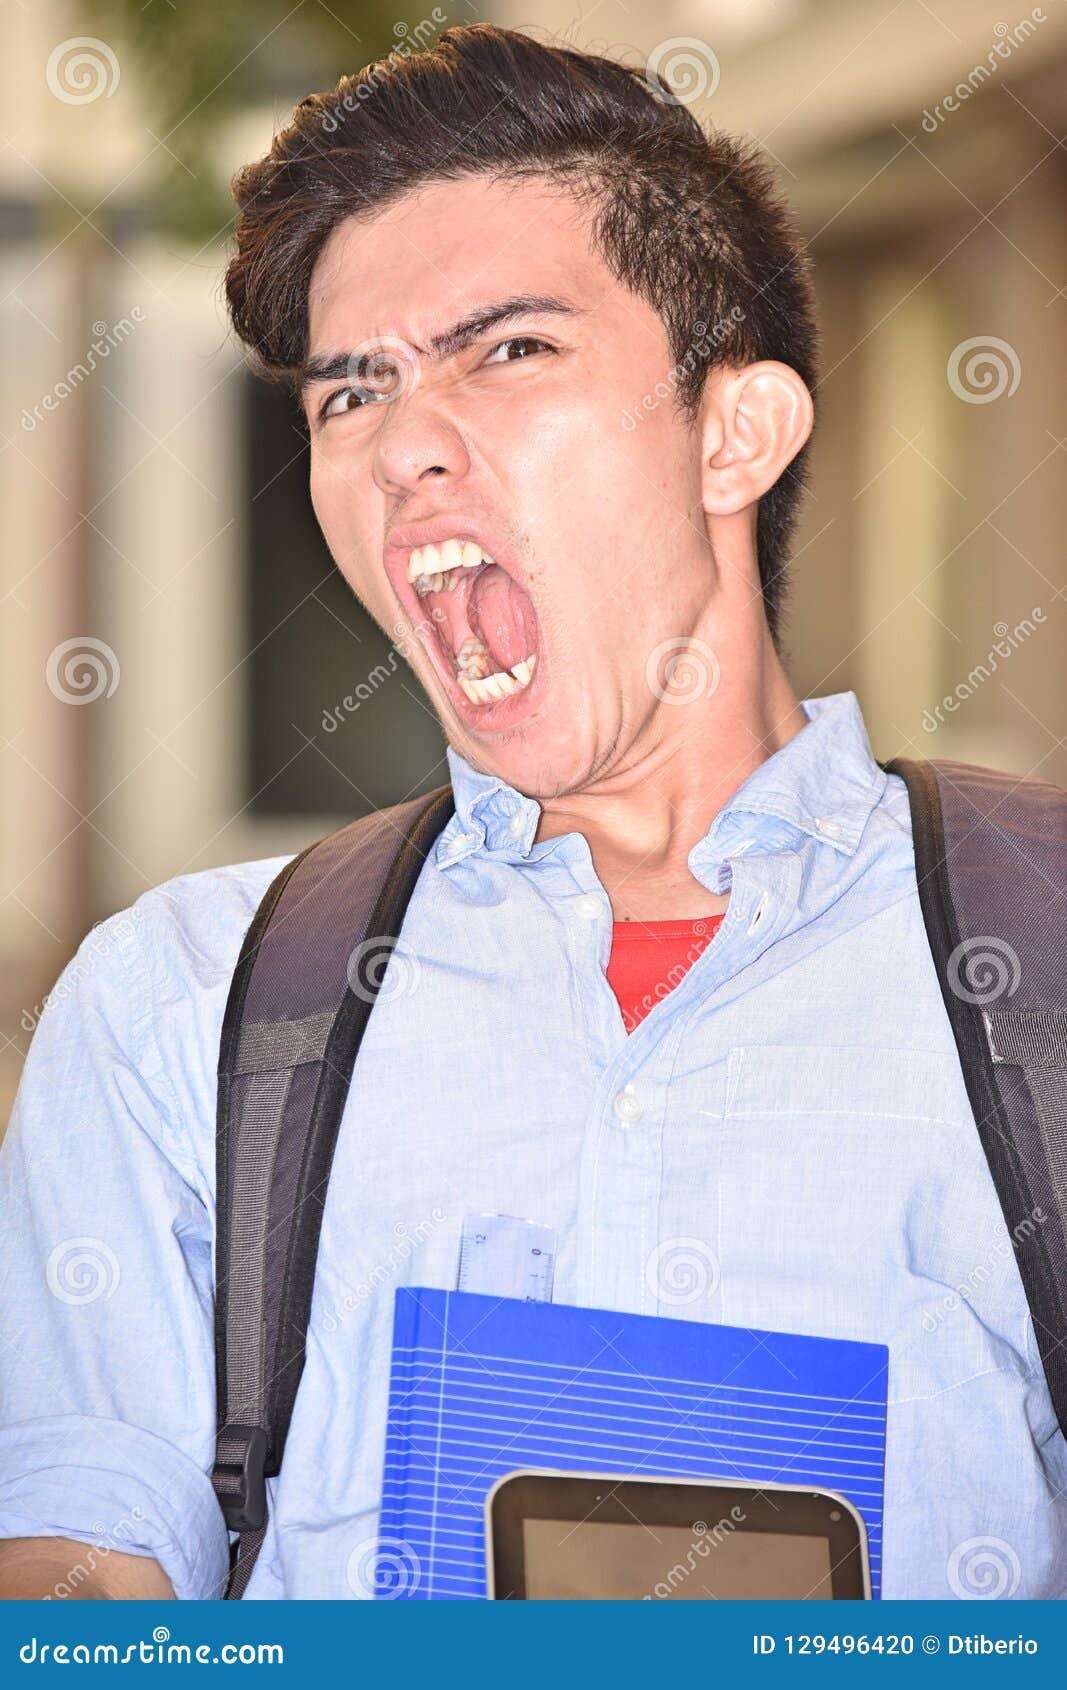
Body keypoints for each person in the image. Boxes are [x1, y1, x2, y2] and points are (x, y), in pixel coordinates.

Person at [2, 23, 1064, 1601]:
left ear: (735, 432)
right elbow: (77, 1576)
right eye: (350, 390)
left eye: (506, 352)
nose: (403, 444)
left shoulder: (1038, 962)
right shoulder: (181, 1013)